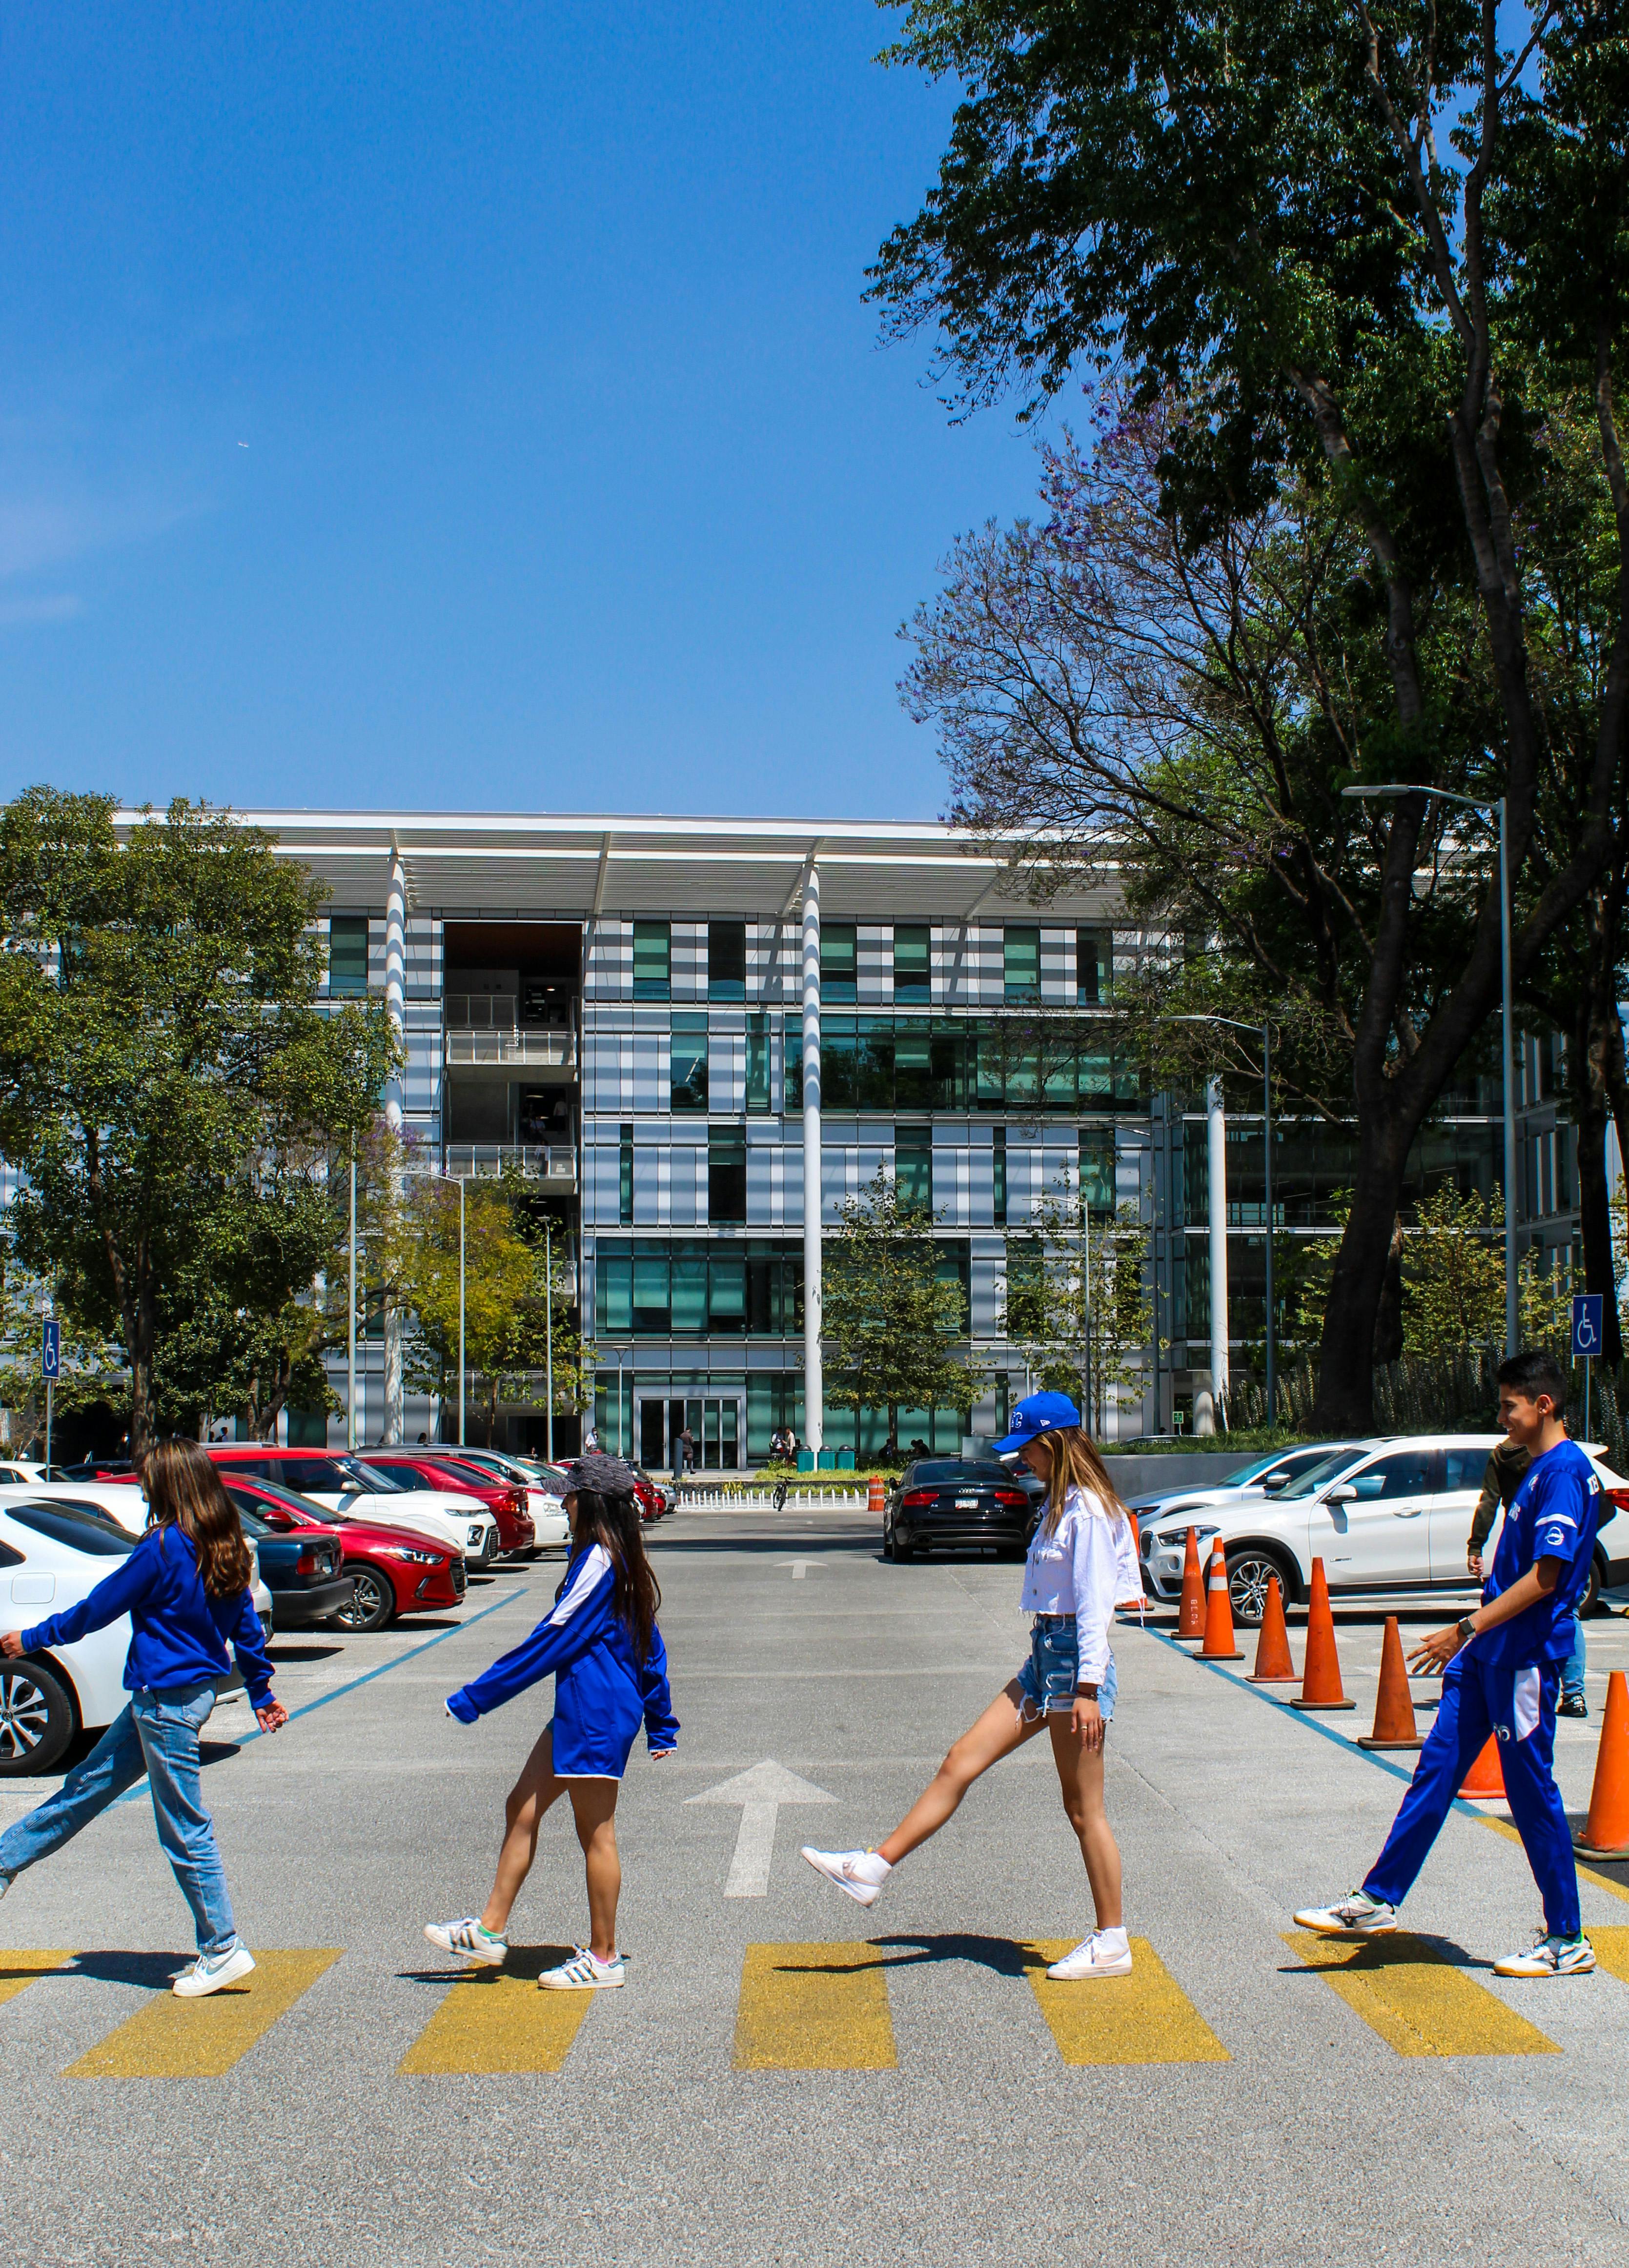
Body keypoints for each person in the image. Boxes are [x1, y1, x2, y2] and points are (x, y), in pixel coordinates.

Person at [800, 1391, 1139, 1980]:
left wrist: (1086, 1690)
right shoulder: (1063, 1503)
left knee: (1085, 1811)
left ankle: (1111, 1940)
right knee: (960, 1759)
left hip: (1072, 1666)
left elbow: (1094, 1608)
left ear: (1053, 1443)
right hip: (1045, 1658)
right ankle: (871, 1870)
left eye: (1026, 1450)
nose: (1020, 1462)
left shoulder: (1086, 1510)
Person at [1297, 1349, 1601, 1977]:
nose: (1501, 1418)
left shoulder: (1564, 1472)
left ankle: (1567, 1937)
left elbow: (1546, 1578)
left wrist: (1462, 1628)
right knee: (1433, 1774)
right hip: (1486, 1657)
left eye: (1508, 1405)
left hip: (1519, 1659)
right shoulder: (1537, 1467)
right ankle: (1377, 1898)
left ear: (1543, 1404)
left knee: (1530, 1793)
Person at [0, 1438, 287, 1995]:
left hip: (167, 1705)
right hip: (182, 1699)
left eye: (146, 1479)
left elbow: (99, 1607)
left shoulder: (163, 1546)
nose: (140, 1487)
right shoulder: (225, 1544)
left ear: (169, 1485)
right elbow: (246, 1629)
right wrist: (260, 1690)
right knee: (86, 1786)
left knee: (185, 1827)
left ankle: (223, 1946)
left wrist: (32, 1638)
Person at [425, 1453, 678, 1989]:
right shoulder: (608, 1557)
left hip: (596, 1715)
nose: (561, 1500)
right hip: (583, 1710)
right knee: (521, 1804)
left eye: (569, 1494)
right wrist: (661, 1722)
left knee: (596, 1833)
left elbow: (551, 1639)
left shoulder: (600, 1563)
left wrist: (477, 1697)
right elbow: (649, 1646)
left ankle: (604, 1958)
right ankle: (490, 1931)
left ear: (589, 1503)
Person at [1469, 1435, 1588, 1718]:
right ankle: (1574, 1694)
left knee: (1511, 1606)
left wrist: (1476, 1544)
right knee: (1566, 1611)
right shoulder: (1558, 1457)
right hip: (1558, 1536)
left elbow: (1489, 1500)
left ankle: (1505, 1677)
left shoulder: (1502, 1455)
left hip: (1520, 1537)